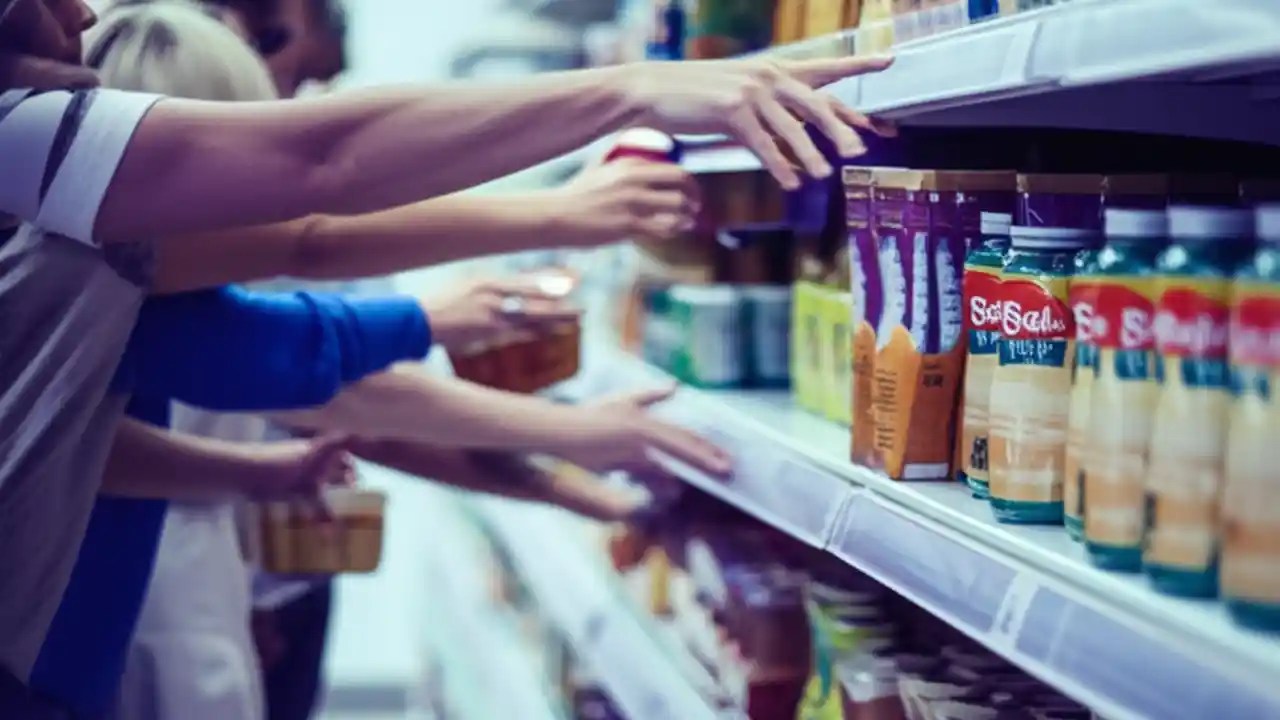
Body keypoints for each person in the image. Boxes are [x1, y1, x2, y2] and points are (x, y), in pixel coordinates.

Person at [0, 0, 893, 712]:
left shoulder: (64, 242)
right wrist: (627, 105)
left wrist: (260, 472)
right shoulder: (25, 151)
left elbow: (251, 320)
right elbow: (312, 211)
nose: (79, 13)